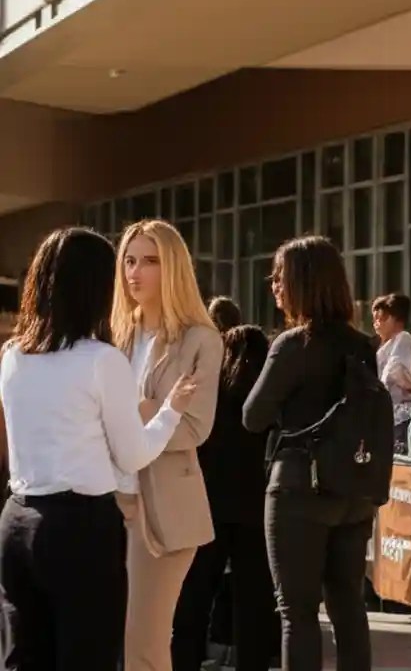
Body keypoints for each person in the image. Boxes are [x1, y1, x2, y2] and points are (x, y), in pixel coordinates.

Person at [0, 227, 197, 670]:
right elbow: (132, 454)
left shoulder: (12, 356)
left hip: (17, 520)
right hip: (81, 526)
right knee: (88, 656)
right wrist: (170, 410)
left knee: (24, 657)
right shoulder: (101, 360)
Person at [242, 236, 378, 670]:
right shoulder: (362, 346)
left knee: (296, 614)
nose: (274, 286)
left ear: (302, 282)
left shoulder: (292, 345)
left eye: (280, 277)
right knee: (349, 607)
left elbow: (252, 415)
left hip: (299, 489)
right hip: (353, 491)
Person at [113, 220, 224, 671]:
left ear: (174, 267)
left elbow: (194, 427)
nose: (136, 272)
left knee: (144, 643)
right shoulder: (114, 335)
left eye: (150, 261)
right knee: (112, 638)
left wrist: (134, 410)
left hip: (164, 511)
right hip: (105, 501)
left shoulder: (201, 339)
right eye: (130, 260)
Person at [172, 324, 278, 671]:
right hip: (255, 510)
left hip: (209, 506)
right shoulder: (267, 399)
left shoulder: (212, 394)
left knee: (194, 598)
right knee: (254, 604)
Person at [372, 293, 411, 452]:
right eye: (375, 319)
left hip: (400, 417)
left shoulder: (403, 338)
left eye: (382, 318)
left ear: (395, 319)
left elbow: (395, 371)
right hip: (388, 419)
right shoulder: (384, 346)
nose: (377, 323)